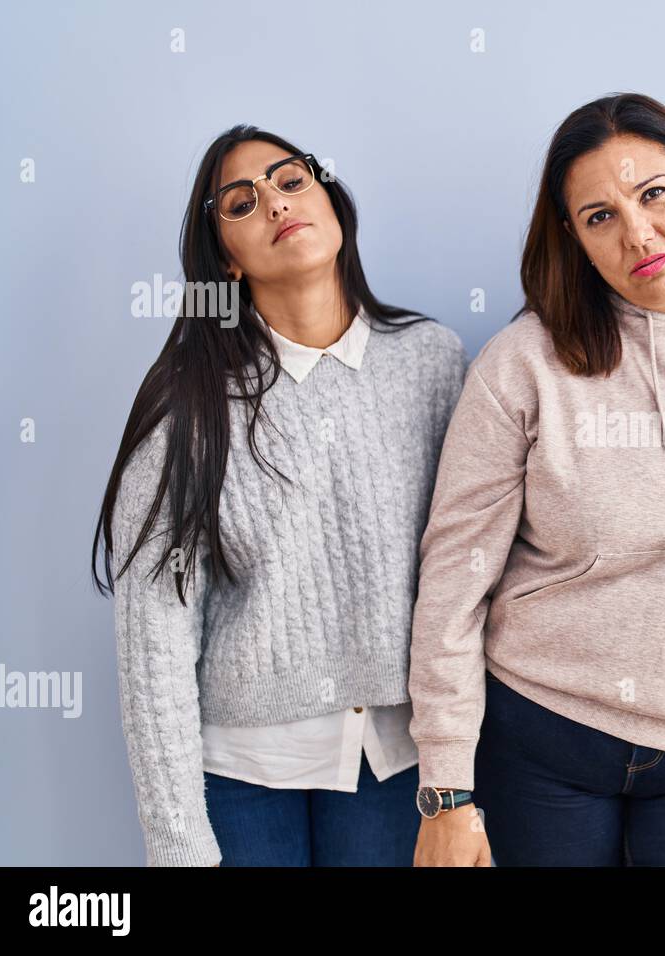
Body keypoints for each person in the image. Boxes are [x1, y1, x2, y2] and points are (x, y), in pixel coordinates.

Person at [408, 93, 665, 866]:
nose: (637, 233)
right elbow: (453, 581)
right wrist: (447, 788)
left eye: (654, 194)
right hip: (543, 732)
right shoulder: (522, 364)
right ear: (574, 237)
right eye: (600, 216)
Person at [92, 125, 465, 866]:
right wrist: (177, 842)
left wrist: (462, 784)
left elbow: (470, 579)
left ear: (331, 200)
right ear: (227, 259)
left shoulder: (434, 361)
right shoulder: (188, 405)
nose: (274, 202)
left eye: (291, 180)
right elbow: (154, 641)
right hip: (242, 779)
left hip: (399, 768)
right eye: (242, 201)